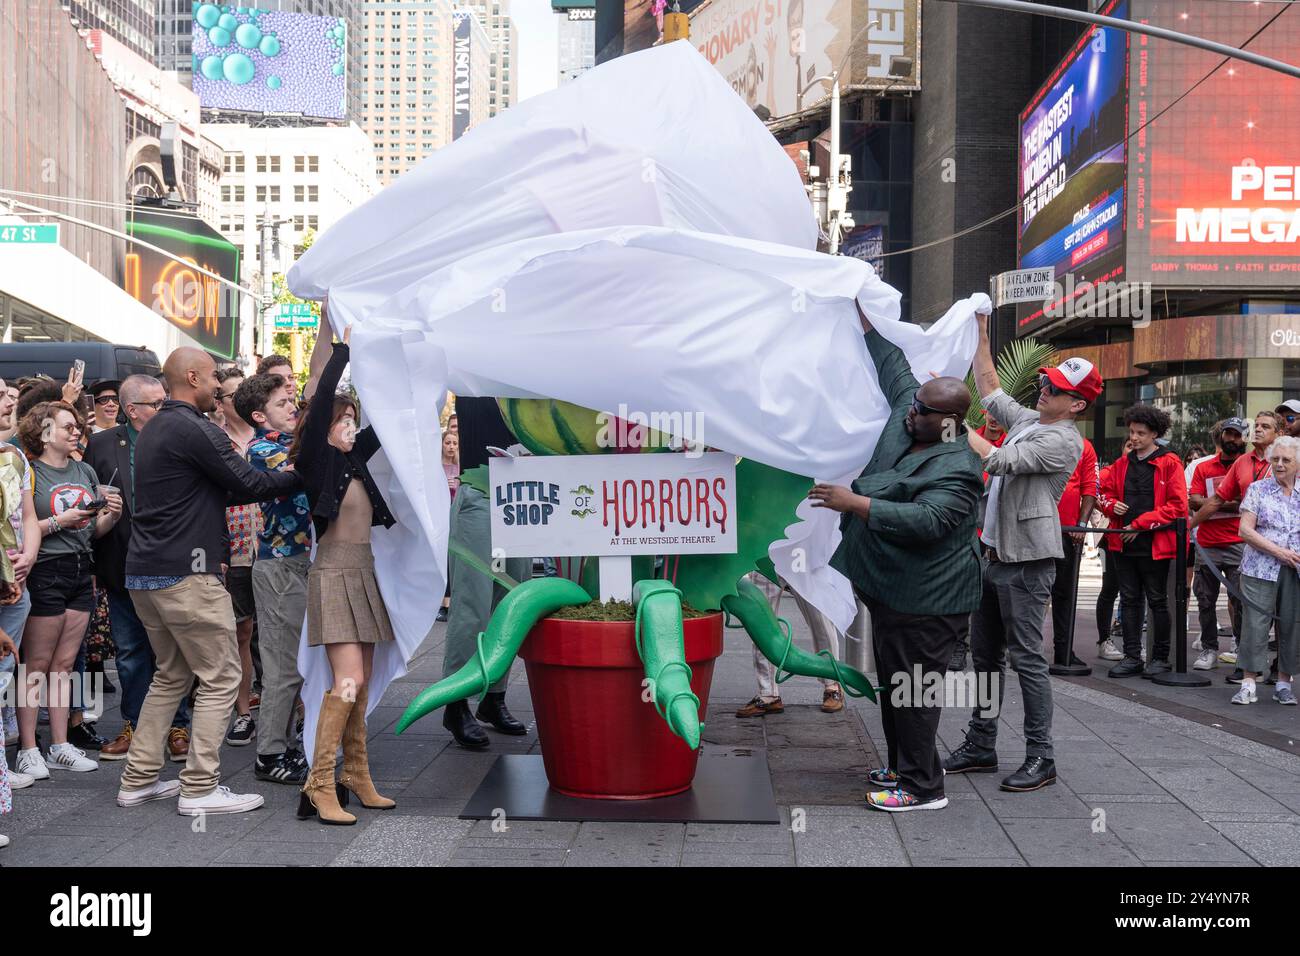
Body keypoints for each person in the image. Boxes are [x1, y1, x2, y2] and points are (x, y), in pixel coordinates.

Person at [809, 304, 983, 812]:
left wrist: (856, 504)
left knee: (914, 692)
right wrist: (858, 307)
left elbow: (929, 522)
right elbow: (894, 366)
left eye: (922, 409)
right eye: (914, 404)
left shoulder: (959, 465)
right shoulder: (913, 415)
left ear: (948, 422)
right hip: (893, 591)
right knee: (896, 684)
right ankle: (901, 767)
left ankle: (924, 788)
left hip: (929, 600)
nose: (911, 410)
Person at [116, 347, 301, 817]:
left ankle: (137, 780)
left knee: (171, 675)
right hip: (186, 574)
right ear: (193, 377)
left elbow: (230, 485)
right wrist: (306, 473)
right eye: (216, 377)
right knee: (222, 678)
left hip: (145, 572)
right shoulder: (195, 428)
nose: (221, 385)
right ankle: (198, 787)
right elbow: (252, 484)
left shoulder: (157, 426)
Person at [945, 319, 1099, 793]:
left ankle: (1041, 756)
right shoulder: (1034, 420)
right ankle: (982, 744)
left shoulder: (1062, 440)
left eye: (1053, 387)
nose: (1042, 387)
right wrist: (982, 337)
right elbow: (990, 388)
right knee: (987, 659)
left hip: (1028, 562)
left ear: (1076, 404)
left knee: (1027, 659)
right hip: (994, 556)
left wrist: (950, 419)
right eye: (1045, 381)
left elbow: (993, 459)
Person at [291, 325, 398, 825]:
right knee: (348, 682)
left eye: (355, 418)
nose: (351, 426)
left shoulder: (356, 459)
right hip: (333, 572)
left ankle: (356, 774)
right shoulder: (317, 460)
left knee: (364, 678)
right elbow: (316, 417)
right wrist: (343, 350)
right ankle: (319, 782)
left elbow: (396, 420)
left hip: (364, 572)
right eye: (344, 420)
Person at [12, 401, 123, 778]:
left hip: (80, 568)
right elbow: (24, 527)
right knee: (35, 666)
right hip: (44, 568)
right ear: (43, 433)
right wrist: (60, 521)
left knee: (63, 665)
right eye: (66, 427)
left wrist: (111, 514)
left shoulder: (85, 469)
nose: (75, 431)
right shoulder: (30, 472)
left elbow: (92, 531)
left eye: (76, 426)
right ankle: (29, 747)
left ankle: (61, 744)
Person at [85, 374, 193, 762]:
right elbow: (88, 499)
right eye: (157, 403)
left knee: (172, 650)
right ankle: (134, 726)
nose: (165, 408)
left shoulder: (179, 436)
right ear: (132, 410)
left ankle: (178, 729)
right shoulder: (100, 445)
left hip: (169, 562)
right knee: (131, 651)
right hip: (120, 563)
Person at [440, 396, 531, 749]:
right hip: (479, 495)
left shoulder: (525, 376)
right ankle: (456, 701)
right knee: (472, 607)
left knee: (511, 603)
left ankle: (494, 696)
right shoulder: (473, 374)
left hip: (521, 497)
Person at [235, 371, 312, 784]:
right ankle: (268, 754)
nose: (293, 409)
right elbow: (304, 469)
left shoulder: (289, 442)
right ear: (259, 416)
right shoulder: (262, 449)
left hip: (303, 562)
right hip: (280, 566)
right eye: (283, 404)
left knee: (298, 663)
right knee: (283, 665)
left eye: (293, 401)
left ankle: (289, 742)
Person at [1096, 405, 1188, 679]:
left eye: (1141, 433)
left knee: (1157, 601)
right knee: (1131, 600)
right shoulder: (1121, 464)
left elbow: (1178, 507)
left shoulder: (1170, 462)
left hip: (1154, 545)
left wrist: (1139, 523)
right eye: (1132, 432)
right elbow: (1102, 493)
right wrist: (1111, 505)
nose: (1134, 438)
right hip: (1123, 544)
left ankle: (1160, 657)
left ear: (1155, 434)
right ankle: (1133, 656)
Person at [1192, 411, 1280, 683]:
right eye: (1257, 425)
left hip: (1271, 546)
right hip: (1231, 544)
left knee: (1262, 606)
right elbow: (1216, 500)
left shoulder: (1285, 458)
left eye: (1265, 426)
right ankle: (1236, 661)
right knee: (1210, 598)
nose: (1258, 430)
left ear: (1278, 433)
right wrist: (1189, 524)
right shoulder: (1242, 463)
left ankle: (1279, 670)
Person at [1234, 435, 1300, 706]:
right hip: (1259, 568)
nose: (1280, 464)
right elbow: (1245, 530)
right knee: (1254, 624)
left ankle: (1284, 683)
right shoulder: (1258, 489)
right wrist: (1279, 552)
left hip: (1295, 570)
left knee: (1292, 624)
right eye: (1275, 459)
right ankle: (1248, 682)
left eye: (1286, 460)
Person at [216, 368, 260, 747]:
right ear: (221, 403)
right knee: (240, 631)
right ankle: (242, 712)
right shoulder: (214, 441)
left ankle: (296, 710)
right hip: (236, 550)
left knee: (285, 635)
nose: (242, 401)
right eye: (233, 395)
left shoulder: (272, 436)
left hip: (280, 546)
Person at [734, 574, 846, 716]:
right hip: (767, 556)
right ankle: (768, 693)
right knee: (761, 622)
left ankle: (833, 685)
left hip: (804, 557)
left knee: (820, 619)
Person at [1187, 419, 1249, 671]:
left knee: (1241, 600)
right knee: (1204, 600)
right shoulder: (1203, 467)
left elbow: (1246, 503)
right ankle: (1209, 648)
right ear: (1221, 436)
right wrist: (1229, 501)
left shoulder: (1248, 466)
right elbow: (1193, 502)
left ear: (1243, 439)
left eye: (1237, 435)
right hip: (1208, 543)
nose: (1232, 439)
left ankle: (1241, 648)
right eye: (1228, 434)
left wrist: (1211, 503)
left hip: (1238, 542)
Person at [950, 410, 1007, 672]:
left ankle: (997, 647)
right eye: (990, 415)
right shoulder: (968, 440)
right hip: (969, 530)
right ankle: (959, 647)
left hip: (997, 533)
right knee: (962, 591)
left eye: (999, 415)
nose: (993, 419)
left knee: (994, 596)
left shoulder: (1011, 445)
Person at [0, 380, 41, 747]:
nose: (8, 402)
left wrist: (28, 555)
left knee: (4, 670)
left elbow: (27, 516)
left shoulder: (13, 457)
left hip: (16, 583)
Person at [1050, 435, 1098, 666]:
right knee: (1028, 593)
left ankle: (1064, 650)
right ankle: (1020, 650)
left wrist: (1081, 524)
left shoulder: (1085, 446)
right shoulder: (1036, 435)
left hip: (1067, 531)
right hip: (1034, 528)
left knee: (1065, 594)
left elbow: (1089, 487)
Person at [437, 430, 460, 623]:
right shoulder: (436, 468)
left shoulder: (460, 468)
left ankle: (451, 602)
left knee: (453, 561)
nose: (451, 446)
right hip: (440, 519)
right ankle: (443, 603)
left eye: (454, 443)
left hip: (456, 519)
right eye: (448, 443)